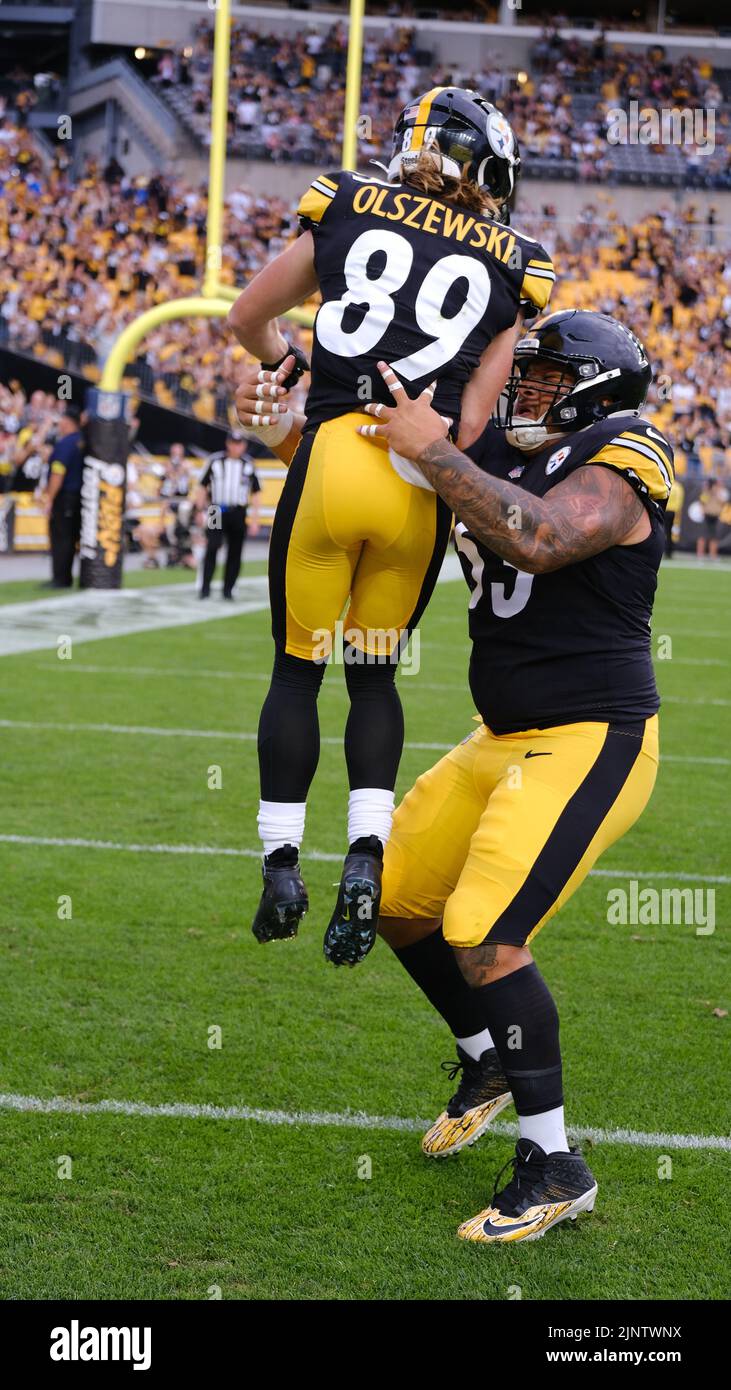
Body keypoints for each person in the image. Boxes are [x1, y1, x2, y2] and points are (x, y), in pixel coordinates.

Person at [242, 310, 673, 1244]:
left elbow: (545, 538)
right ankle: (484, 1059)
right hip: (500, 734)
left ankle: (554, 1161)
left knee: (482, 933)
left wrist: (438, 452)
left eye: (544, 379)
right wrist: (280, 430)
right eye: (523, 374)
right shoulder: (497, 455)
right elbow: (392, 491)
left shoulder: (628, 449)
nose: (523, 390)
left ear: (594, 388)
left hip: (590, 736)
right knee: (392, 896)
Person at [230, 87, 555, 963]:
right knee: (374, 681)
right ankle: (367, 856)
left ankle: (280, 863)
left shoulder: (340, 199)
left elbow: (245, 318)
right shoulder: (517, 258)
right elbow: (475, 424)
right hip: (415, 480)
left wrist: (288, 364)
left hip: (332, 453)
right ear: (473, 162)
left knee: (297, 673)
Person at [195, 429, 261, 599]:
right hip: (216, 509)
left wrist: (254, 519)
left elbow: (256, 492)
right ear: (228, 443)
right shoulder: (215, 461)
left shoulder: (248, 464)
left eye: (239, 444)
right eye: (233, 443)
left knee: (235, 551)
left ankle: (228, 589)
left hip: (238, 511)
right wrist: (199, 510)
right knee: (212, 547)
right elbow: (202, 486)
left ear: (244, 446)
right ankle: (205, 588)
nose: (236, 447)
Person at [42, 403, 85, 588]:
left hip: (66, 496)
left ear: (68, 422)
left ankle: (60, 579)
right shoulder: (82, 441)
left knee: (61, 538)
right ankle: (64, 578)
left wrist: (49, 498)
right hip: (79, 497)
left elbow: (58, 473)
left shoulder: (65, 443)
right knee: (70, 537)